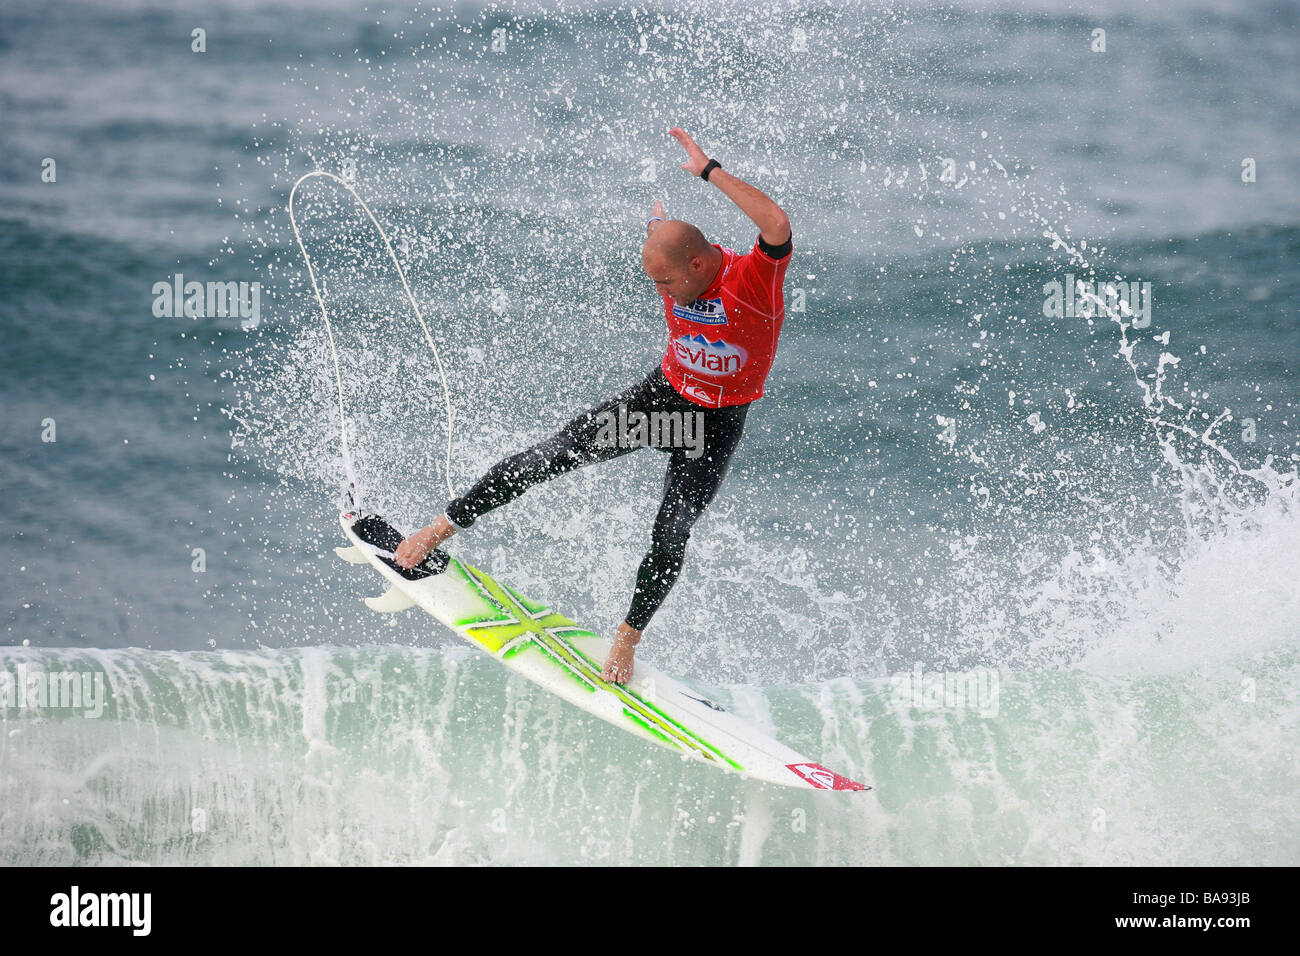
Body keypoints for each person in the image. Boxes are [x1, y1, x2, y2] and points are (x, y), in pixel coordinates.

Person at [395, 126, 792, 684]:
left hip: (715, 424)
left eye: (666, 281)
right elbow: (660, 227)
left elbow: (775, 225)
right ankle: (438, 530)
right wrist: (655, 207)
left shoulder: (752, 281)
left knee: (671, 531)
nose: (661, 289)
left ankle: (625, 642)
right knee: (546, 457)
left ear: (700, 266)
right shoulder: (671, 257)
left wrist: (708, 171)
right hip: (665, 398)